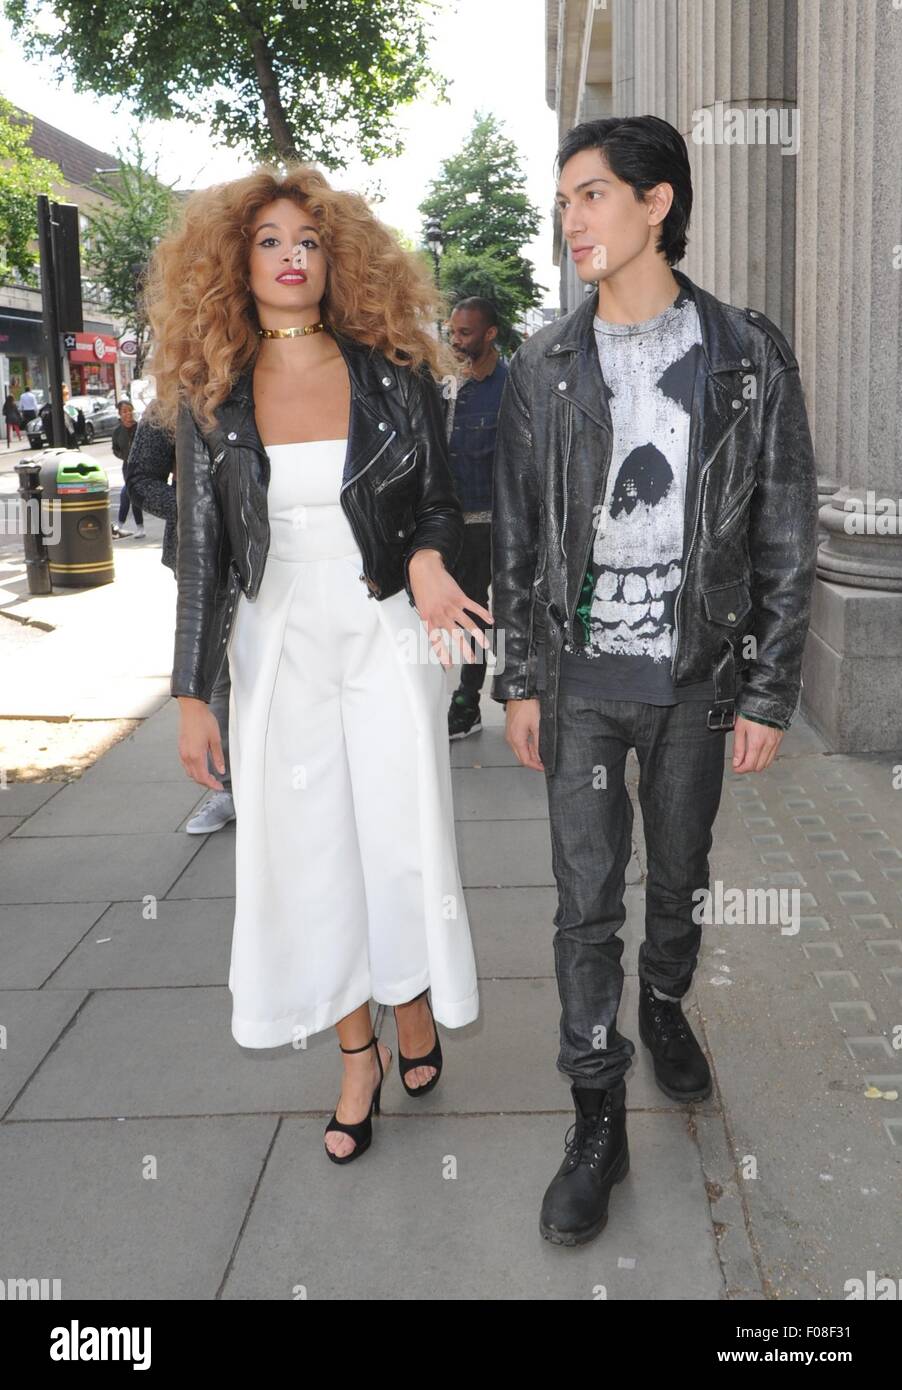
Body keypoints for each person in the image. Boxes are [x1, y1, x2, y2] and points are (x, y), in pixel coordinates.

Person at [491, 114, 818, 1245]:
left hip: (691, 682)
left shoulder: (743, 355)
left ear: (654, 203)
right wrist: (519, 680)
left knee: (675, 877)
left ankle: (666, 1004)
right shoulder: (544, 363)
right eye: (564, 198)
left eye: (589, 195)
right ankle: (595, 1114)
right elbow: (520, 542)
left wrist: (768, 690)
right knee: (584, 903)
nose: (570, 218)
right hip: (581, 684)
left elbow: (783, 530)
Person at [144, 164, 490, 1164]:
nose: (290, 254)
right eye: (268, 240)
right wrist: (189, 694)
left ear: (333, 257)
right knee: (306, 850)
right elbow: (204, 554)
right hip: (276, 636)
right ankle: (357, 1054)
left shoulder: (391, 371)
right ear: (236, 263)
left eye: (307, 238)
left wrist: (425, 559)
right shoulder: (212, 393)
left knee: (398, 833)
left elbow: (435, 502)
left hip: (385, 627)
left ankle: (412, 998)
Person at [128, 409, 236, 833]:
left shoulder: (270, 370)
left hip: (280, 553)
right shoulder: (169, 403)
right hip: (202, 558)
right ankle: (227, 789)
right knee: (218, 678)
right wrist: (196, 507)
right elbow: (140, 479)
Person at [445, 298, 508, 739]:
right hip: (457, 523)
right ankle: (468, 700)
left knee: (512, 612)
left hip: (506, 523)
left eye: (465, 333)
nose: (456, 340)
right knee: (470, 614)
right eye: (453, 332)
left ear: (490, 334)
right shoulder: (447, 385)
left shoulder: (513, 383)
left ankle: (514, 697)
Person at [110, 398, 145, 537]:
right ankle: (139, 528)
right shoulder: (118, 431)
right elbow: (115, 449)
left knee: (128, 492)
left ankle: (120, 525)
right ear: (120, 414)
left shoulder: (140, 428)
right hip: (127, 466)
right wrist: (124, 456)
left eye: (130, 410)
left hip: (141, 466)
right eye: (124, 411)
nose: (128, 413)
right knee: (131, 494)